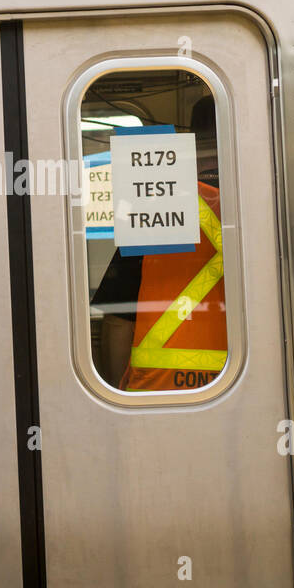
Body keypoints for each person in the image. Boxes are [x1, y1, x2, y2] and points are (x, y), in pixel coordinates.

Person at [92, 95, 225, 391]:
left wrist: (117, 396)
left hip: (160, 394)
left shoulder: (155, 204)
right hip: (245, 385)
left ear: (191, 140)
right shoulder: (264, 205)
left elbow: (118, 322)